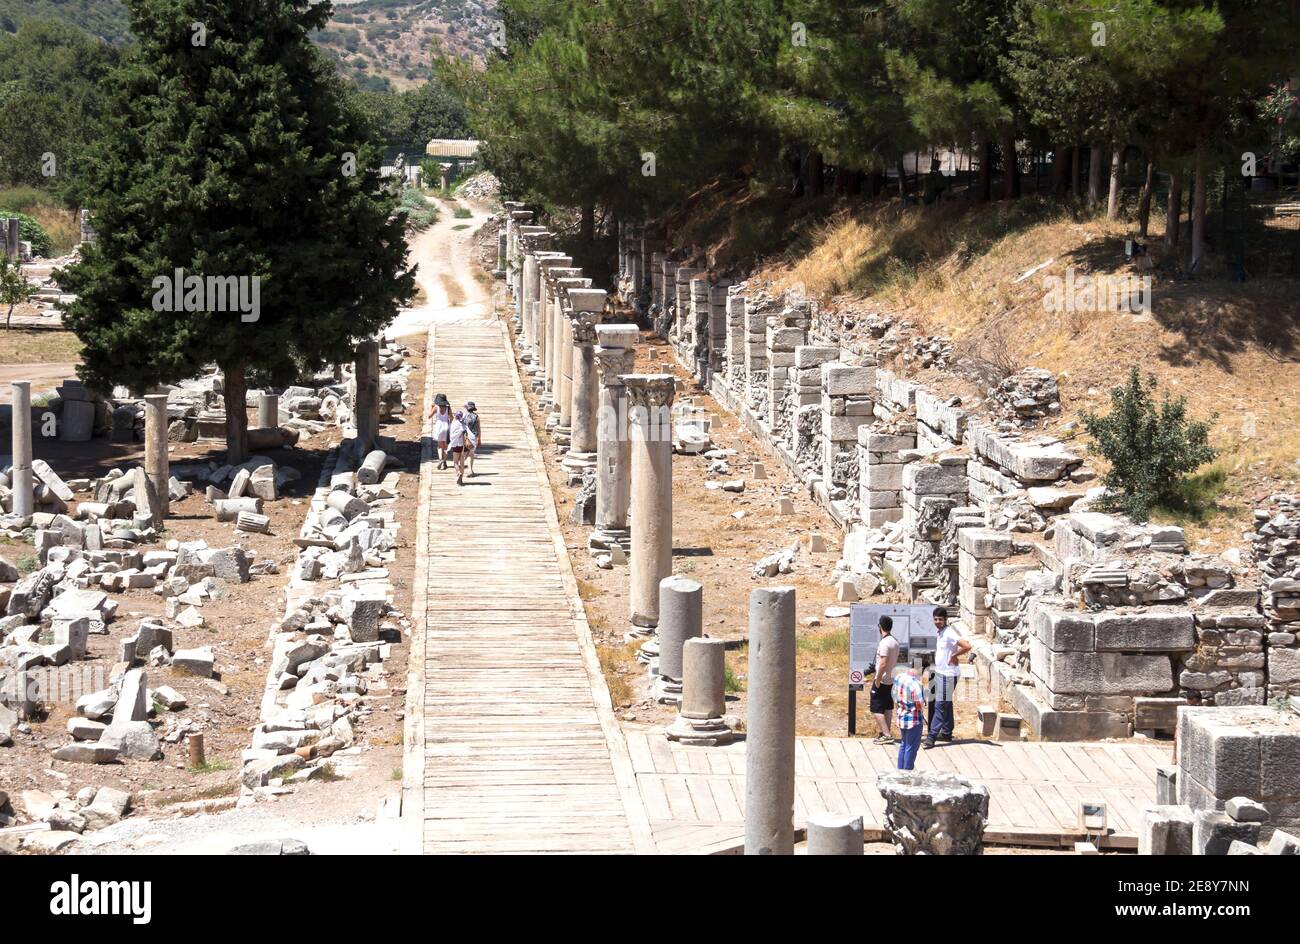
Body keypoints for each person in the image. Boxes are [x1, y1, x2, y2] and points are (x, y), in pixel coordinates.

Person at [924, 606, 970, 749]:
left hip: (948, 675)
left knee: (940, 705)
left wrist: (954, 656)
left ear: (946, 620)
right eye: (936, 619)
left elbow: (967, 646)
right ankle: (947, 731)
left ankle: (931, 737)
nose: (938, 621)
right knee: (946, 703)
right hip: (940, 672)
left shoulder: (950, 632)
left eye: (941, 619)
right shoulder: (940, 632)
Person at [870, 615, 900, 744]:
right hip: (891, 679)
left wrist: (877, 678)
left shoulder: (884, 643)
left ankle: (886, 734)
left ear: (880, 627)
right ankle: (885, 732)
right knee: (888, 707)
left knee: (876, 708)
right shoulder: (895, 641)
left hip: (882, 680)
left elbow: (883, 662)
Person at [891, 666, 926, 770]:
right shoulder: (916, 684)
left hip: (902, 714)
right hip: (914, 718)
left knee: (904, 744)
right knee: (911, 747)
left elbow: (894, 694)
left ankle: (900, 770)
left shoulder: (900, 677)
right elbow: (920, 704)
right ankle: (907, 773)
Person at [429, 393, 451, 470]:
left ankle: (440, 459)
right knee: (445, 446)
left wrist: (431, 407)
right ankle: (444, 462)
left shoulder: (436, 407)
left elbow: (429, 416)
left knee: (439, 446)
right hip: (446, 426)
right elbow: (451, 418)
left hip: (438, 427)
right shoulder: (448, 408)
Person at [448, 409, 468, 486]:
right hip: (462, 445)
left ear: (455, 416)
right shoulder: (463, 425)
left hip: (455, 445)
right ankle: (461, 479)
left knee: (455, 462)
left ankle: (458, 473)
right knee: (462, 463)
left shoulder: (453, 424)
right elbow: (465, 435)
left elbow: (451, 436)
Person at [462, 400, 481, 477]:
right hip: (474, 437)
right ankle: (470, 469)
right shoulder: (476, 417)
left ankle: (465, 468)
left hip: (466, 437)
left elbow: (461, 426)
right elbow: (479, 428)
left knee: (465, 453)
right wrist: (479, 438)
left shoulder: (464, 415)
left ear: (467, 408)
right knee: (471, 453)